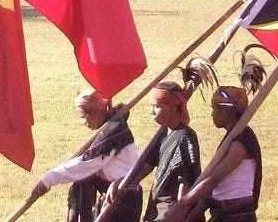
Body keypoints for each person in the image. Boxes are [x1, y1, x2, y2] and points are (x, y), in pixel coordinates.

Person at [29, 89, 141, 222]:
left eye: (83, 117)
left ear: (95, 112)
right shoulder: (111, 126)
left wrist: (48, 179)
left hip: (122, 198)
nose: (83, 122)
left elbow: (86, 163)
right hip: (114, 194)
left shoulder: (113, 131)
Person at [165, 87, 261, 222]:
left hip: (236, 216)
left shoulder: (242, 140)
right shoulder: (231, 137)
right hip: (222, 213)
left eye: (215, 109)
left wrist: (184, 202)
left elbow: (215, 178)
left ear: (227, 111)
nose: (212, 114)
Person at [109, 81, 201, 222]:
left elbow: (186, 179)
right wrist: (120, 183)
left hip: (172, 210)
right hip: (158, 209)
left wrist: (179, 213)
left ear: (172, 108)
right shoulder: (164, 134)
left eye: (156, 107)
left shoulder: (184, 137)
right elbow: (145, 167)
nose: (151, 112)